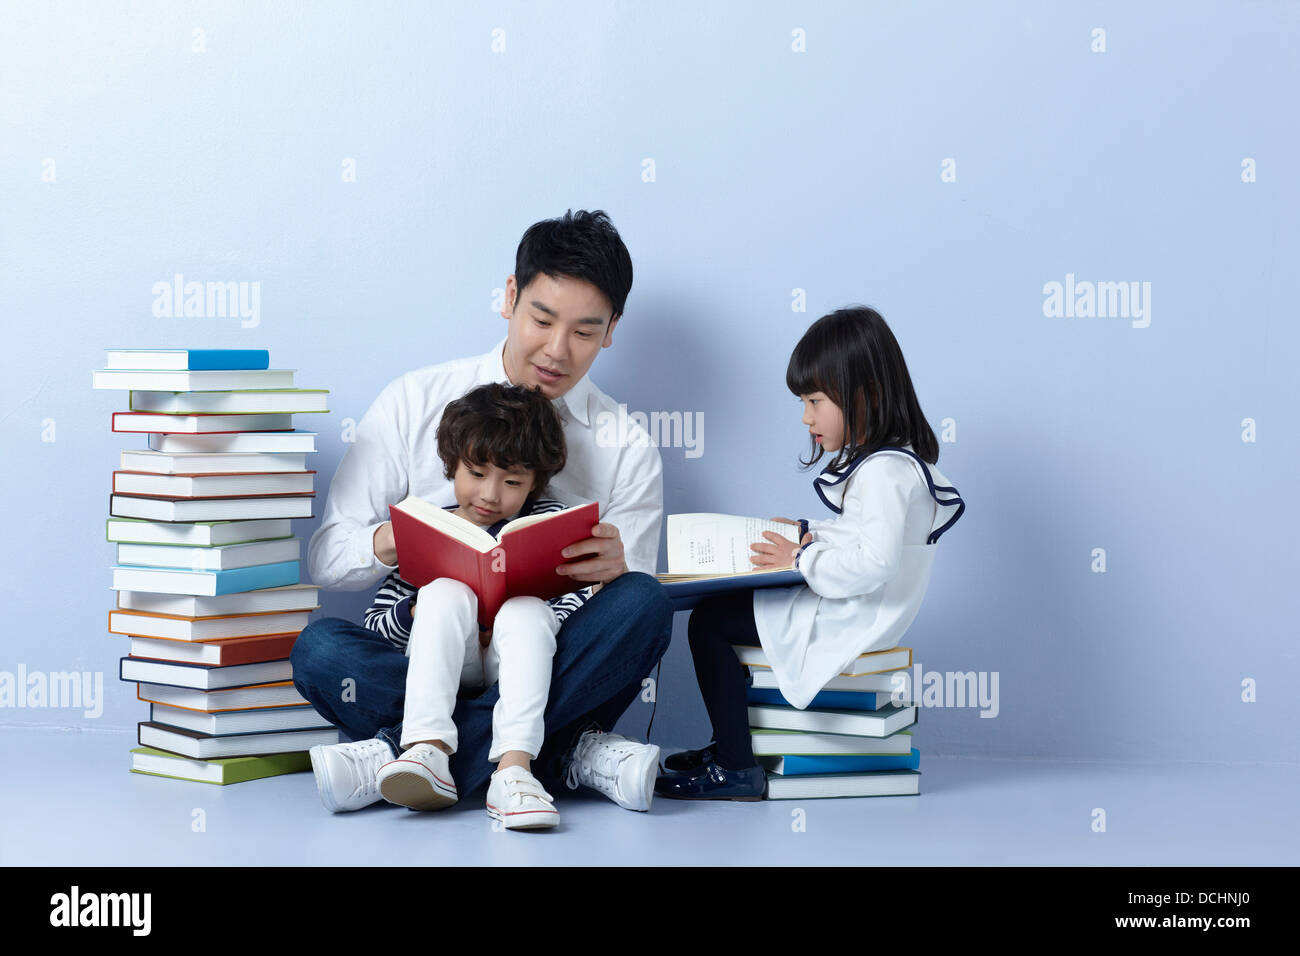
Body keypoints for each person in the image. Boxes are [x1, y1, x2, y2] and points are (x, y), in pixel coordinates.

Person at [295, 209, 670, 815]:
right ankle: (553, 757)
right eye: (542, 319)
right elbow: (328, 560)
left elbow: (625, 633)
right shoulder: (413, 402)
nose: (555, 351)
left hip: (544, 654)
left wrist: (617, 572)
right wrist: (400, 540)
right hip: (427, 657)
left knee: (646, 604)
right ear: (510, 297)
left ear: (611, 331)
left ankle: (402, 754)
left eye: (583, 331)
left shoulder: (627, 448)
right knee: (320, 653)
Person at [655, 306, 965, 800]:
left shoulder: (885, 473)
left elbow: (874, 563)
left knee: (710, 623)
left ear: (866, 395)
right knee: (721, 615)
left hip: (858, 613)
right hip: (857, 603)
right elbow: (862, 537)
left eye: (815, 400)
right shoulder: (890, 465)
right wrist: (807, 533)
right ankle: (731, 746)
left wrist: (799, 560)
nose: (806, 417)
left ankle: (735, 765)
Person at [365, 382, 594, 830]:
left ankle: (513, 770)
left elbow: (581, 603)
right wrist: (414, 610)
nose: (491, 495)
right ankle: (426, 748)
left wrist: (528, 611)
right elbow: (374, 629)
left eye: (512, 483)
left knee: (526, 610)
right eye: (476, 474)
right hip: (448, 659)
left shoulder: (547, 523)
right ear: (452, 466)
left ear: (535, 483)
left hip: (525, 659)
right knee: (440, 595)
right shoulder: (429, 527)